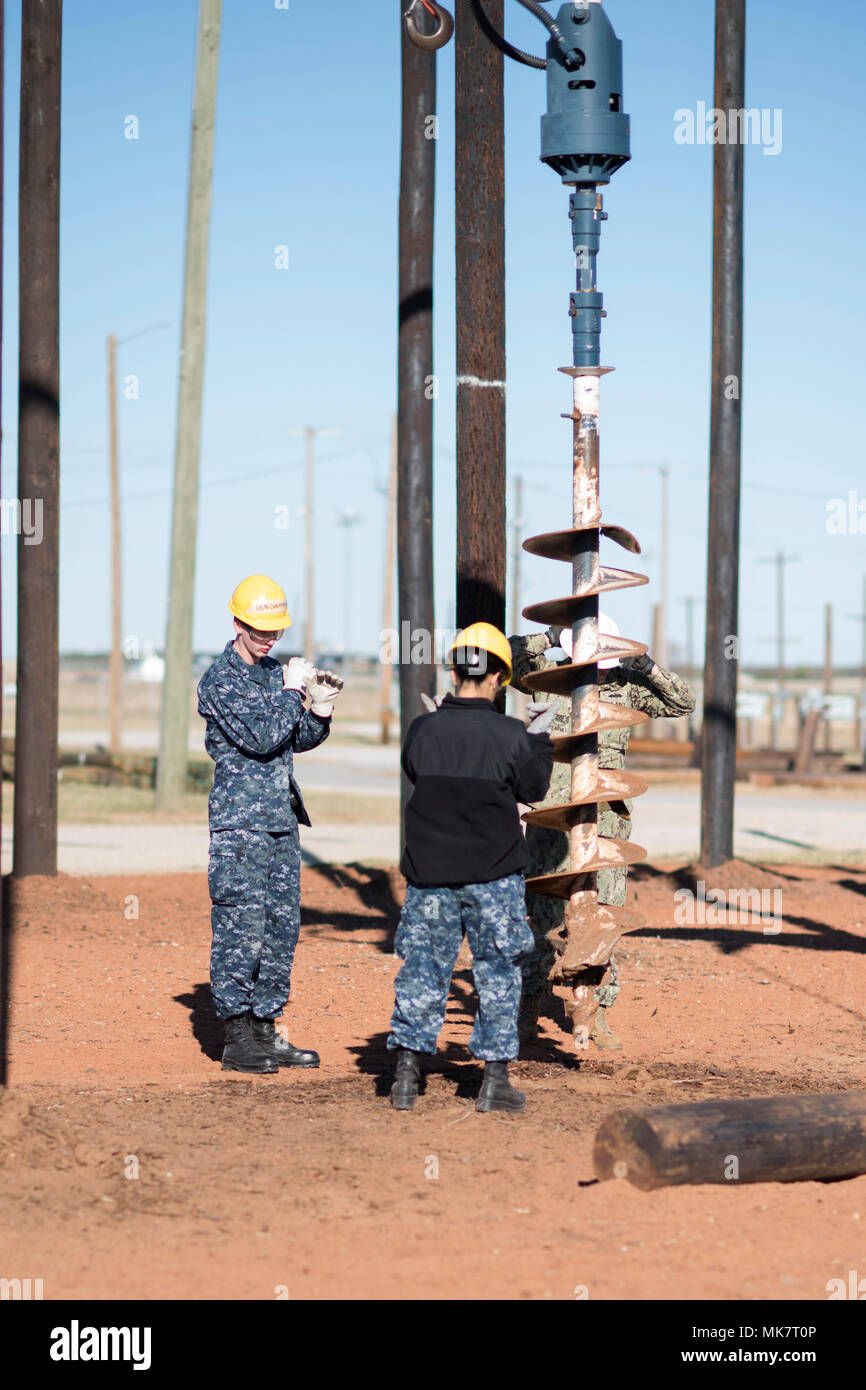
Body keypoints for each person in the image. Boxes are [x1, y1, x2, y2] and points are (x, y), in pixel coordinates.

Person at [387, 622, 554, 1113]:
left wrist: (444, 727)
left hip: (429, 879)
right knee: (497, 973)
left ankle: (405, 1078)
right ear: (499, 677)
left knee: (422, 970)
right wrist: (540, 738)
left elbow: (418, 770)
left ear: (454, 670)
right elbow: (534, 789)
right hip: (493, 879)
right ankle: (493, 1083)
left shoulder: (423, 728)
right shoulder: (511, 735)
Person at [510, 616, 696, 1050]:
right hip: (552, 814)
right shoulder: (548, 680)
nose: (601, 668)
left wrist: (646, 664)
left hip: (606, 817)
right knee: (540, 913)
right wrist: (551, 636)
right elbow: (504, 657)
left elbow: (683, 703)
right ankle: (527, 1007)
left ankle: (596, 1012)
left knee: (603, 915)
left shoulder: (627, 685)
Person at [197, 574, 343, 1074]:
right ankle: (237, 1037)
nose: (269, 638)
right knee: (242, 925)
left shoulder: (271, 673)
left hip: (280, 821)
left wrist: (318, 710)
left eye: (275, 630)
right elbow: (261, 736)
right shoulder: (221, 679)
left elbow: (291, 737)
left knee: (281, 928)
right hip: (241, 825)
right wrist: (291, 692)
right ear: (237, 621)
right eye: (260, 629)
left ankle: (265, 1028)